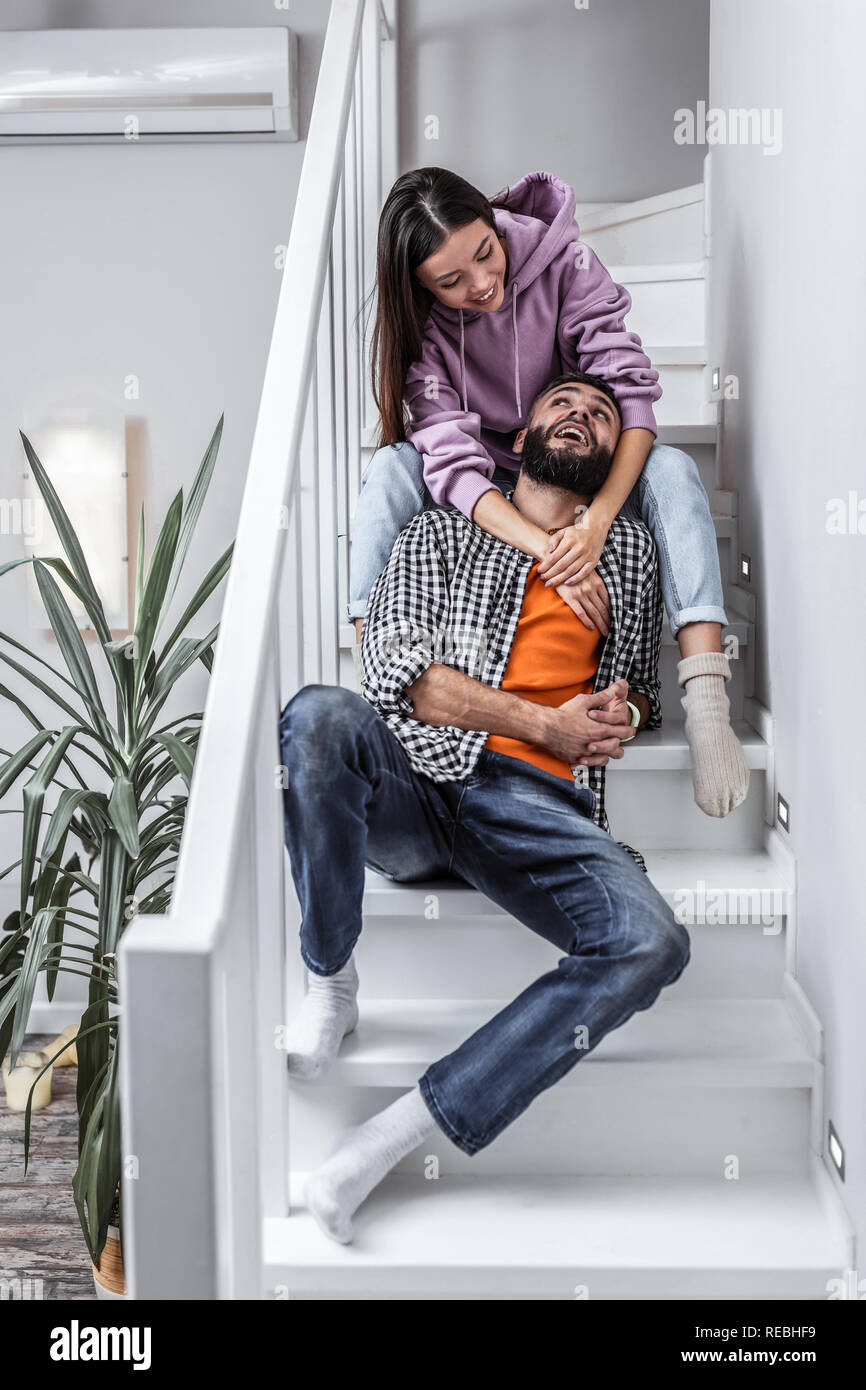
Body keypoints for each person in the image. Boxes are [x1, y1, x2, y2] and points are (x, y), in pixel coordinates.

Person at [279, 370, 691, 1244]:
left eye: (602, 414)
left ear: (614, 453)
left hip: (541, 810)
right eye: (563, 405)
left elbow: (643, 688)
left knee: (652, 940)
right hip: (419, 784)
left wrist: (623, 714)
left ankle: (388, 1138)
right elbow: (400, 674)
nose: (582, 415)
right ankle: (331, 980)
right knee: (319, 717)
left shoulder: (628, 554)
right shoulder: (436, 534)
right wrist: (545, 721)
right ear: (524, 435)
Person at [349, 166, 749, 818]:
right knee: (395, 465)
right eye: (451, 282)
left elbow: (633, 398)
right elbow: (449, 464)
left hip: (575, 461)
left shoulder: (564, 260)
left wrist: (591, 529)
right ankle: (376, 684)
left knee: (674, 469)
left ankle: (707, 705)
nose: (482, 283)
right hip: (488, 476)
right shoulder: (424, 335)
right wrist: (546, 549)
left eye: (486, 253)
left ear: (494, 225)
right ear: (420, 288)